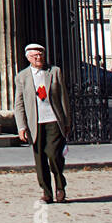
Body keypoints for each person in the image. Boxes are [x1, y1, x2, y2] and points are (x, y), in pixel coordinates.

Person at [14, 42, 72, 204]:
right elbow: (19, 104)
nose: (38, 58)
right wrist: (21, 126)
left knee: (54, 155)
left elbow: (63, 98)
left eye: (41, 55)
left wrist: (67, 121)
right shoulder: (22, 77)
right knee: (40, 160)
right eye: (35, 56)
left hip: (53, 119)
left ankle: (60, 186)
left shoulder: (54, 72)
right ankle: (46, 192)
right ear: (28, 58)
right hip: (35, 123)